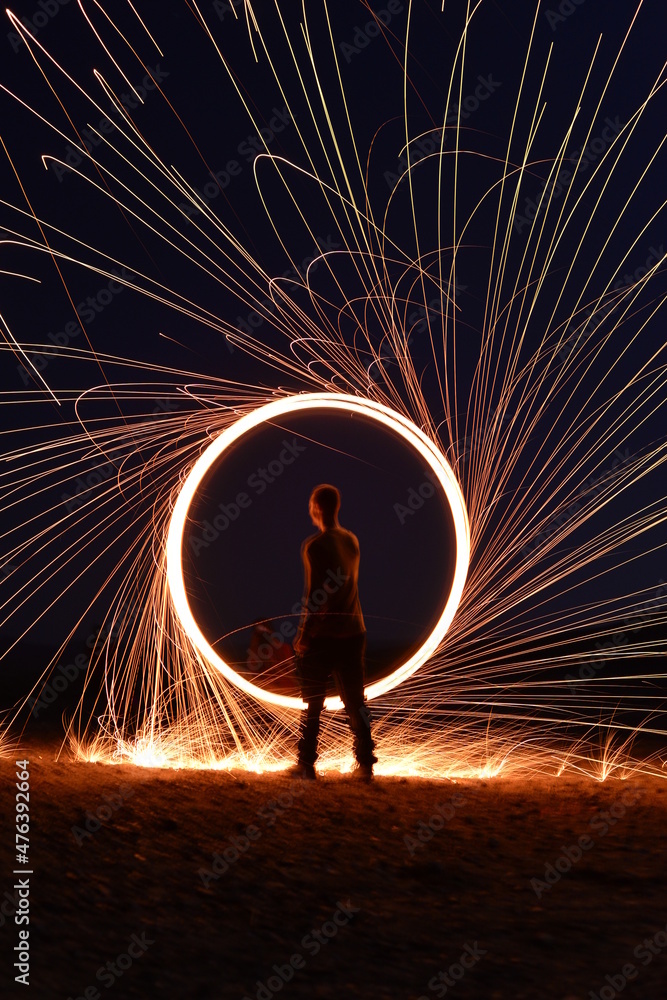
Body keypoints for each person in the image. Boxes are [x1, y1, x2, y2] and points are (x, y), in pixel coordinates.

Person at [291, 483, 377, 781]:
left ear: (316, 509)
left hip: (326, 636)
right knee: (356, 702)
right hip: (354, 631)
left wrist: (305, 633)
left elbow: (317, 595)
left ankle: (306, 765)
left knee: (313, 702)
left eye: (310, 507)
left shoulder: (315, 546)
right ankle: (366, 765)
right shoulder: (351, 540)